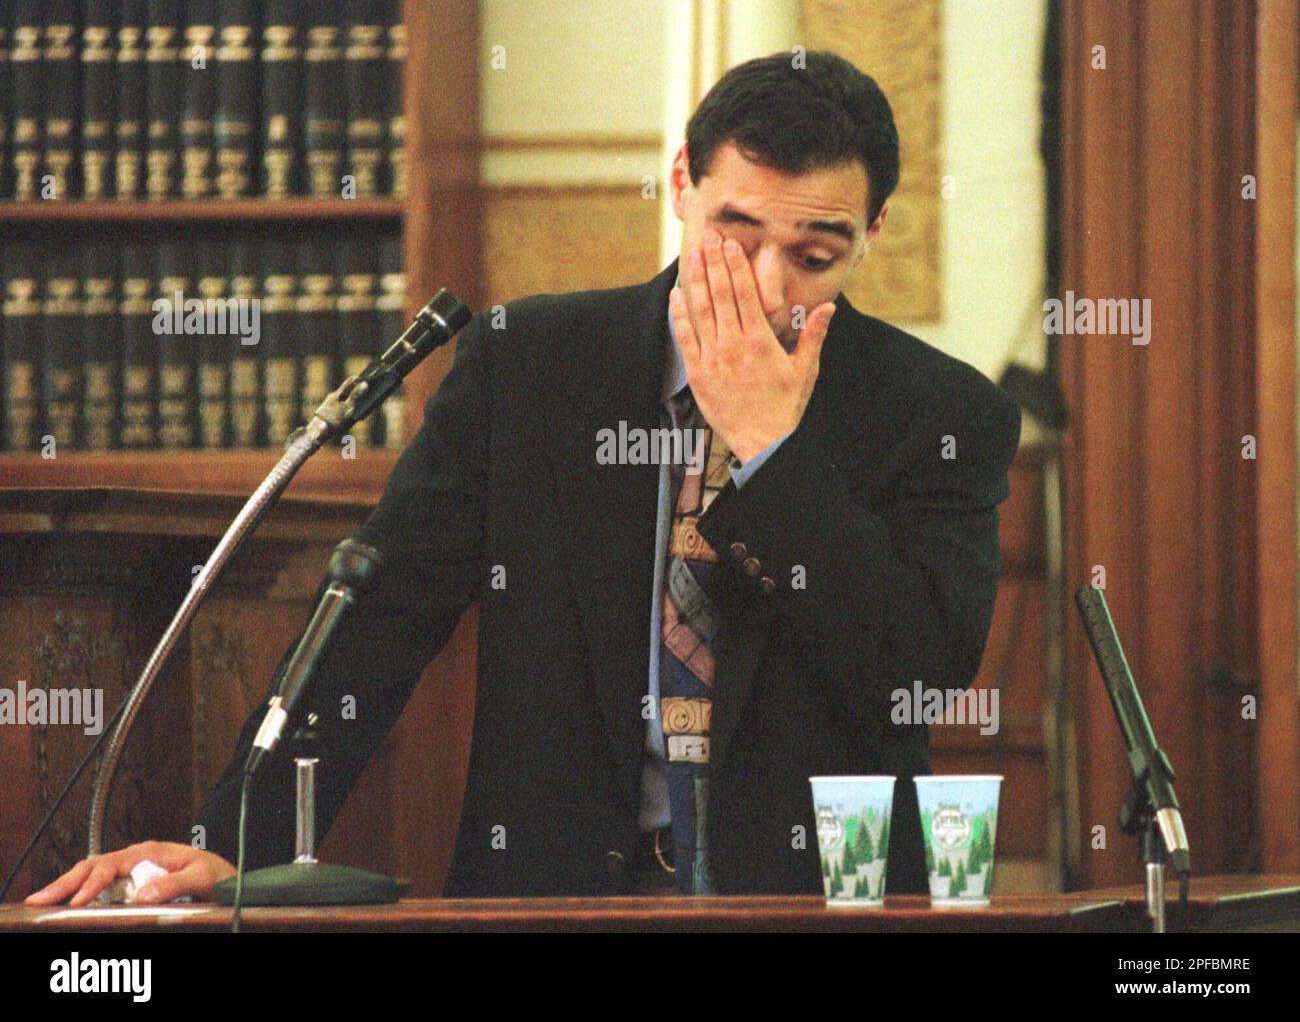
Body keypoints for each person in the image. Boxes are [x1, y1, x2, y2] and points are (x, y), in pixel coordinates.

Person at [28, 50, 1020, 906]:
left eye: (814, 254)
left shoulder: (939, 412)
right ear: (679, 181)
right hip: (553, 892)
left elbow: (916, 672)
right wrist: (225, 844)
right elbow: (378, 615)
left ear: (873, 231)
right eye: (736, 233)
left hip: (818, 903)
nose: (765, 290)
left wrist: (772, 455)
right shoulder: (531, 363)